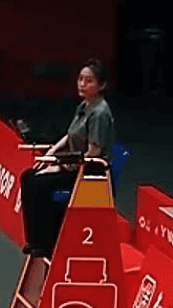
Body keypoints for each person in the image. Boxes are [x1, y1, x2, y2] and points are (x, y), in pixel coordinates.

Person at [18, 59, 115, 258]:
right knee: (28, 176)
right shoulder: (84, 106)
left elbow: (94, 152)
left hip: (91, 171)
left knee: (37, 183)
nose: (82, 84)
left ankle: (45, 243)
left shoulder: (100, 113)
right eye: (80, 79)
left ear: (101, 86)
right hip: (75, 164)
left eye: (89, 81)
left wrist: (60, 166)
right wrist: (50, 154)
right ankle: (36, 239)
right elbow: (69, 136)